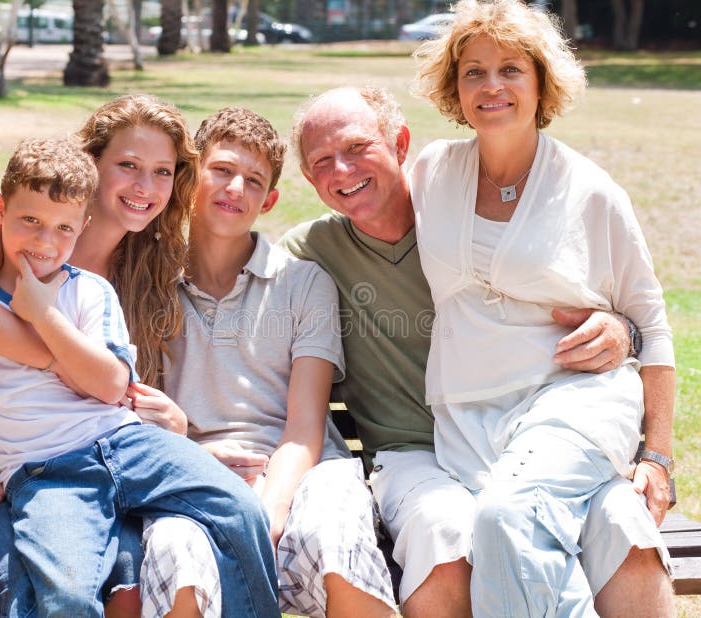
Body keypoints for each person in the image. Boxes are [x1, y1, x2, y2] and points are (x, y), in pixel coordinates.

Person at [283, 82, 674, 617]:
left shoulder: (462, 216)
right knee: (444, 532)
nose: (342, 171)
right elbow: (227, 283)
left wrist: (621, 329)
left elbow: (577, 285)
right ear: (309, 179)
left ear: (400, 144)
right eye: (322, 161)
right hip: (414, 454)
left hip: (523, 431)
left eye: (356, 148)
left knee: (620, 521)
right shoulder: (309, 255)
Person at [0, 95, 278, 617]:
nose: (144, 187)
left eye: (161, 172)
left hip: (108, 453)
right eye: (127, 166)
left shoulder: (148, 266)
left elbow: (118, 394)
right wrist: (57, 351)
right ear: (89, 164)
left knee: (129, 580)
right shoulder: (14, 234)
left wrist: (176, 426)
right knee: (36, 583)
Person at [408, 1, 675, 615]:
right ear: (454, 88)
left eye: (510, 69)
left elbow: (653, 325)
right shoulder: (431, 173)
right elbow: (358, 217)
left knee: (507, 516)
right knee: (529, 535)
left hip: (574, 403)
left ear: (541, 81)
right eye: (473, 71)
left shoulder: (592, 192)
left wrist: (656, 456)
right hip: (469, 418)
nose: (491, 85)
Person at [138, 107, 396, 618]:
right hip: (194, 471)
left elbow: (304, 428)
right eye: (221, 170)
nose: (235, 188)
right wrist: (198, 465)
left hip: (306, 471)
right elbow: (143, 413)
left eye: (253, 180)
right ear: (190, 178)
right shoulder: (149, 284)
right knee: (174, 549)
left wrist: (269, 509)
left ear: (269, 200)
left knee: (334, 536)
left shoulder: (303, 283)